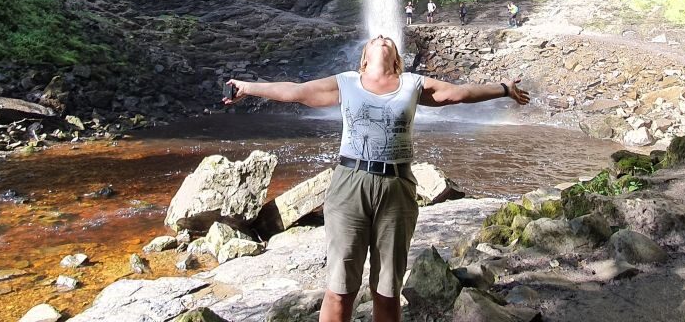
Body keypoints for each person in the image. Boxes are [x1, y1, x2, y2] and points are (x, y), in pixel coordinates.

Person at [223, 36, 530, 322]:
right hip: (350, 184)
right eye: (375, 38)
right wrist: (247, 88)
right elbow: (295, 91)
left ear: (396, 59)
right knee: (340, 285)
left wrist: (503, 87)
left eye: (388, 40)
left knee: (387, 287)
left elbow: (459, 94)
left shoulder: (412, 84)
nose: (382, 36)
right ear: (364, 60)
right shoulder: (346, 82)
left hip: (397, 186)